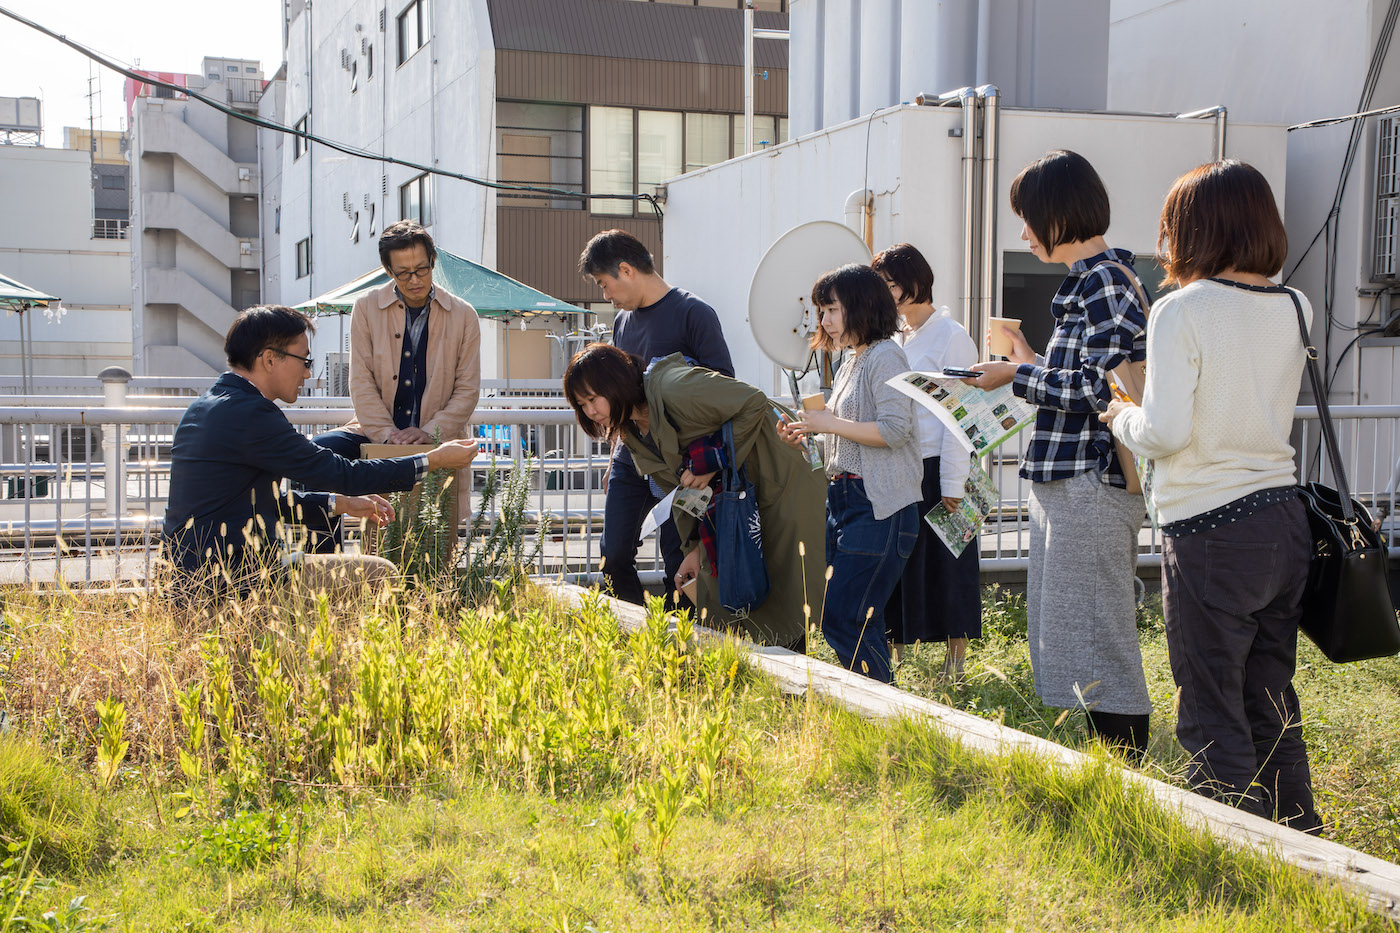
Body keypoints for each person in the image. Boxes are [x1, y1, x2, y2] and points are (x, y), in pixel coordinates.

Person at [1101, 161, 1320, 830]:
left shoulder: (1181, 309)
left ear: (1192, 230)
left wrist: (1119, 417)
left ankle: (1232, 847)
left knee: (1208, 700)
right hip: (1283, 521)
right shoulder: (1296, 304)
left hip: (1209, 529)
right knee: (1268, 693)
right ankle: (1301, 834)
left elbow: (1164, 431)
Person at [966, 150, 1152, 755]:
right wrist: (1027, 364)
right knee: (1080, 641)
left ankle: (1120, 785)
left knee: (1101, 643)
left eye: (1026, 218)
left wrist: (1015, 377)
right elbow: (1089, 378)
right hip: (1072, 480)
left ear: (1055, 214)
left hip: (1089, 480)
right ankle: (1106, 776)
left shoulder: (1102, 281)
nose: (1022, 233)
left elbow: (1103, 389)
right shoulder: (1098, 280)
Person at [162, 305, 479, 593]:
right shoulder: (252, 414)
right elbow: (342, 472)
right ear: (270, 359)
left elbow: (250, 503)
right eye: (304, 360)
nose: (307, 373)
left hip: (189, 579)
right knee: (379, 574)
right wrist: (433, 459)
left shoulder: (204, 407)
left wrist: (339, 504)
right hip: (238, 581)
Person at [563, 344, 825, 648]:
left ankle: (799, 675)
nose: (590, 412)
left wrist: (711, 462)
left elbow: (753, 402)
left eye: (593, 399)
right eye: (582, 404)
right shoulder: (632, 432)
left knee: (787, 582)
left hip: (781, 477)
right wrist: (695, 548)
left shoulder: (673, 386)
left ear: (616, 383)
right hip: (736, 498)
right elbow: (686, 492)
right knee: (746, 585)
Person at [779, 264, 921, 683]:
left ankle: (886, 712)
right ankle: (889, 715)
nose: (823, 321)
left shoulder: (887, 355)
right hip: (847, 500)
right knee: (852, 616)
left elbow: (896, 431)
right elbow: (845, 443)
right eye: (821, 311)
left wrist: (828, 425)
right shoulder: (850, 362)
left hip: (879, 504)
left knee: (842, 615)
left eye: (832, 310)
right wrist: (807, 439)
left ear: (861, 305)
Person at [578, 229, 734, 607]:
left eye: (604, 284)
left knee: (678, 561)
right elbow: (619, 398)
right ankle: (638, 636)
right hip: (629, 456)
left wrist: (709, 463)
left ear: (627, 270)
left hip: (681, 463)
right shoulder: (622, 323)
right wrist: (614, 454)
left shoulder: (694, 313)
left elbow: (725, 396)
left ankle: (682, 653)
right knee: (612, 555)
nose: (606, 295)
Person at [310, 220, 482, 551]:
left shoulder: (463, 315)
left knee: (435, 539)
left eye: (422, 269)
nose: (414, 280)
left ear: (433, 261)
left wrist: (430, 431)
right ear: (388, 270)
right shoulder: (365, 308)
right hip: (374, 429)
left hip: (437, 432)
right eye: (403, 273)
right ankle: (324, 569)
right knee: (320, 452)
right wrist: (387, 434)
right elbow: (360, 382)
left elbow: (467, 389)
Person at [872, 243, 982, 680]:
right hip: (905, 464)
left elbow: (962, 412)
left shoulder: (952, 335)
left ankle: (955, 663)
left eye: (890, 284)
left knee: (949, 563)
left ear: (915, 282)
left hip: (942, 466)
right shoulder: (898, 336)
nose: (885, 293)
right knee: (904, 561)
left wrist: (956, 481)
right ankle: (902, 659)